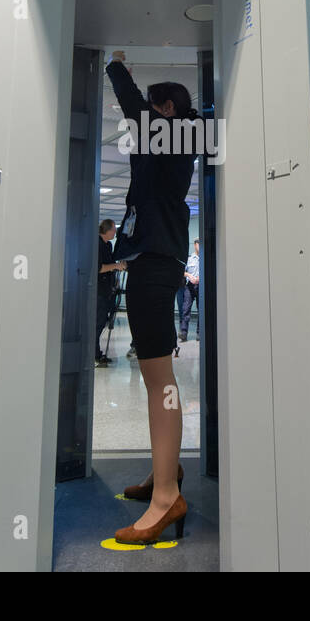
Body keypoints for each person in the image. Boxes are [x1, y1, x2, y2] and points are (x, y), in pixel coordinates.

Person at [104, 50, 197, 543]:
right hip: (160, 260)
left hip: (154, 264)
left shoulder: (165, 138)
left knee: (158, 378)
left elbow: (132, 106)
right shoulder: (176, 146)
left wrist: (119, 67)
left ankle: (166, 497)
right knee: (154, 377)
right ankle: (167, 474)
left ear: (163, 113)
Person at [95, 220, 125, 366]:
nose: (114, 232)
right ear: (107, 230)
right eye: (113, 229)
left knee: (101, 323)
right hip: (99, 291)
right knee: (97, 323)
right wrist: (116, 266)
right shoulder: (97, 244)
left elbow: (112, 264)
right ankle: (94, 353)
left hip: (108, 290)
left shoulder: (108, 245)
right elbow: (99, 268)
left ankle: (97, 352)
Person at [176, 239, 200, 351]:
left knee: (201, 310)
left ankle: (200, 333)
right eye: (198, 244)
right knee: (185, 309)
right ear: (195, 245)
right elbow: (182, 271)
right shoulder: (189, 258)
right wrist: (189, 276)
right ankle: (184, 333)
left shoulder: (204, 258)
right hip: (190, 286)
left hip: (201, 286)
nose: (200, 246)